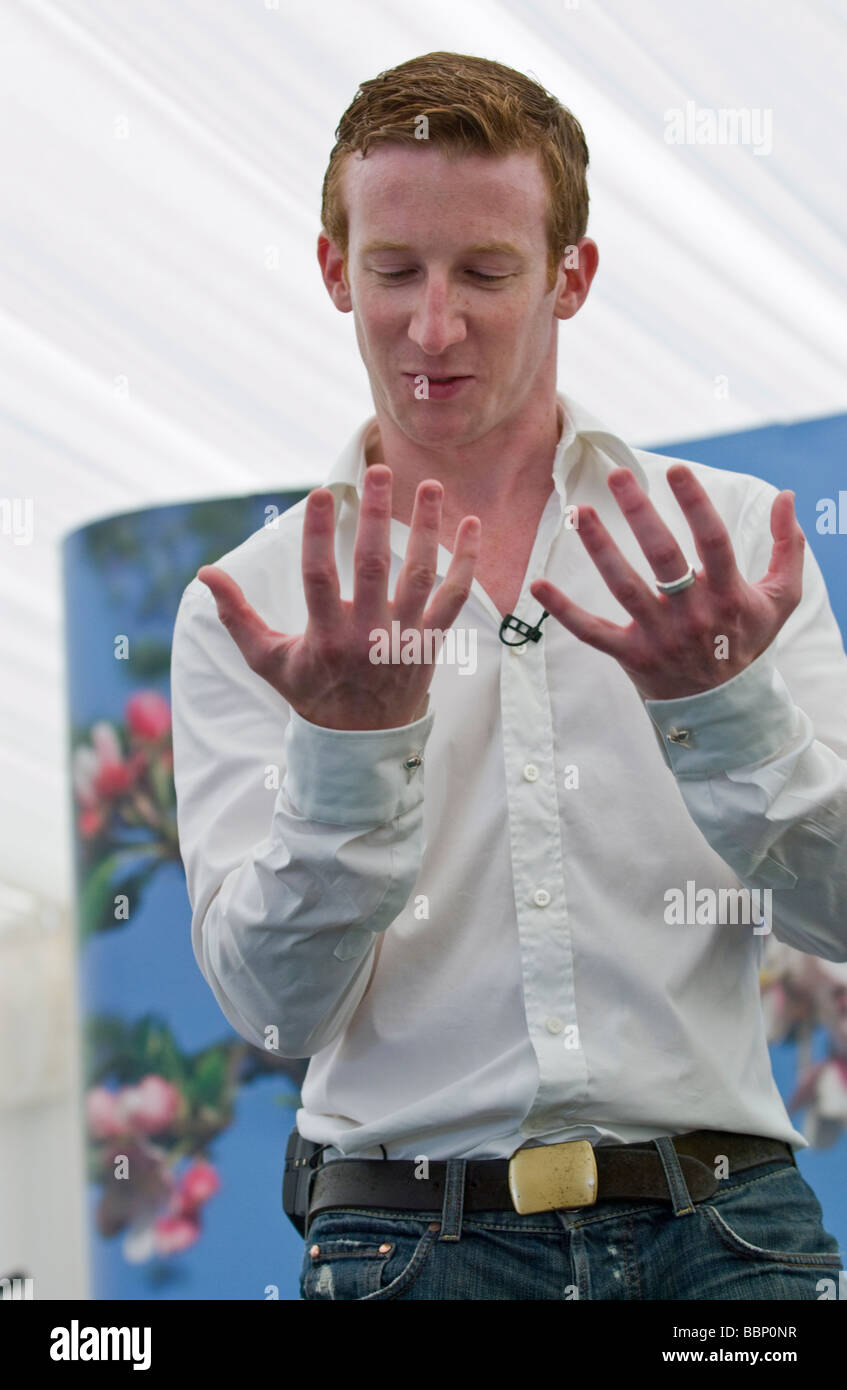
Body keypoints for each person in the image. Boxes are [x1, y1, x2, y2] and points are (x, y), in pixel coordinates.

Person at [170, 51, 847, 1300]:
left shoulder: (737, 550)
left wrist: (725, 712)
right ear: (334, 271)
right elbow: (270, 1013)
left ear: (570, 276)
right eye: (393, 272)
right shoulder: (250, 606)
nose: (434, 327)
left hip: (730, 1239)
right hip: (407, 1250)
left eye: (486, 272)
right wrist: (348, 753)